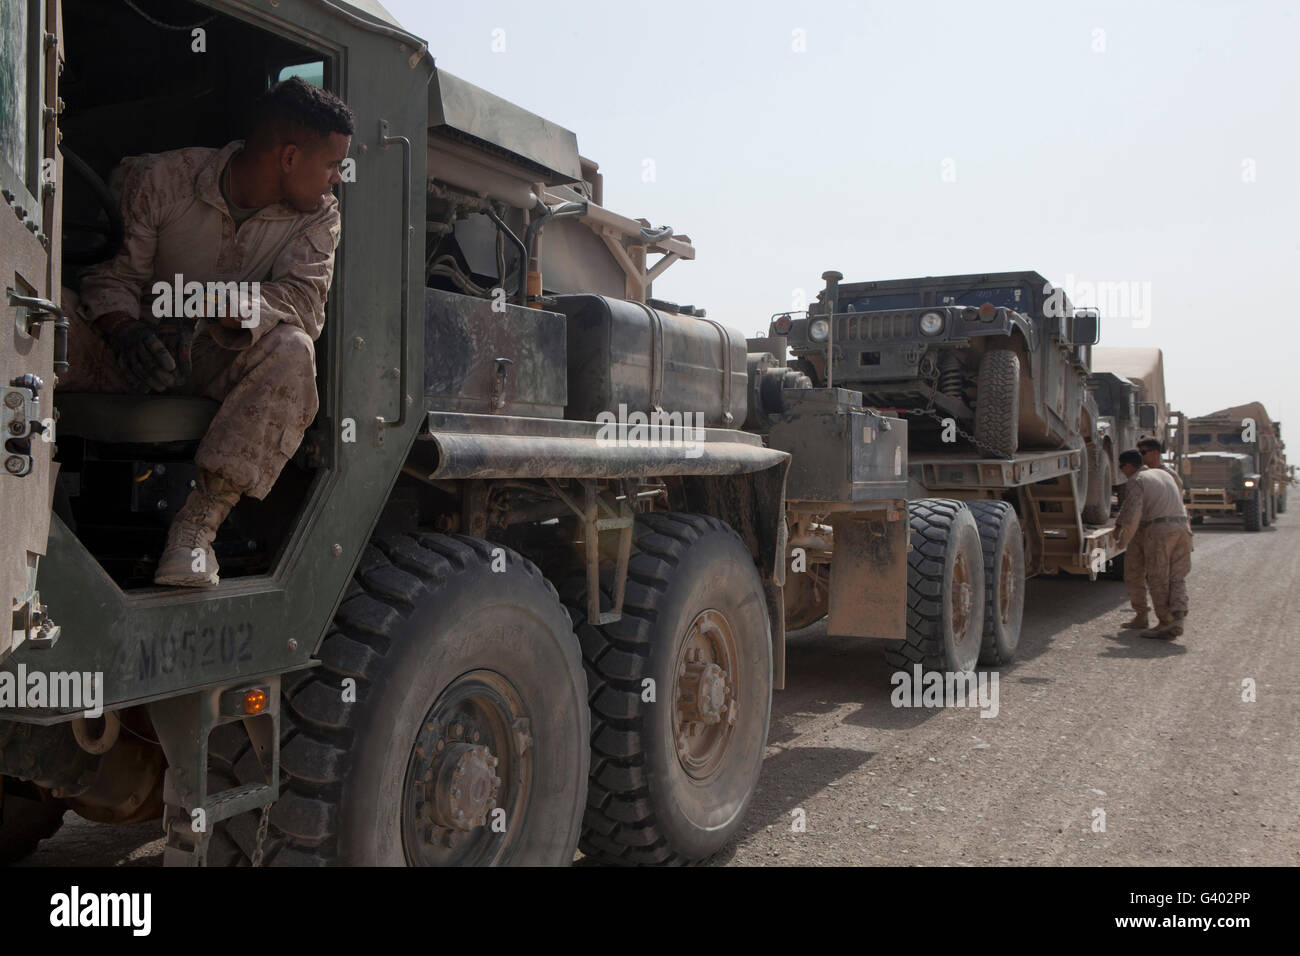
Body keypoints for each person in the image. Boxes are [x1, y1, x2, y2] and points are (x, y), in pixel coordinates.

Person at [60, 77, 354, 587]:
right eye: (331, 165)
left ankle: (195, 534)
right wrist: (124, 330)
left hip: (214, 357)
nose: (336, 180)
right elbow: (111, 278)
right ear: (288, 158)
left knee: (293, 350)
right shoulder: (161, 178)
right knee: (42, 316)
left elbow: (304, 305)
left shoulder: (319, 219)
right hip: (124, 348)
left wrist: (211, 308)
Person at [1114, 449, 1192, 639]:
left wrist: (1122, 540)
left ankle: (1165, 622)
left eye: (1121, 468)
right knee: (1176, 576)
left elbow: (1133, 513)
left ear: (1129, 466)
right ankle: (1178, 617)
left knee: (1157, 577)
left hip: (1160, 530)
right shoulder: (1163, 473)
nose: (1122, 472)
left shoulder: (1136, 480)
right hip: (1183, 527)